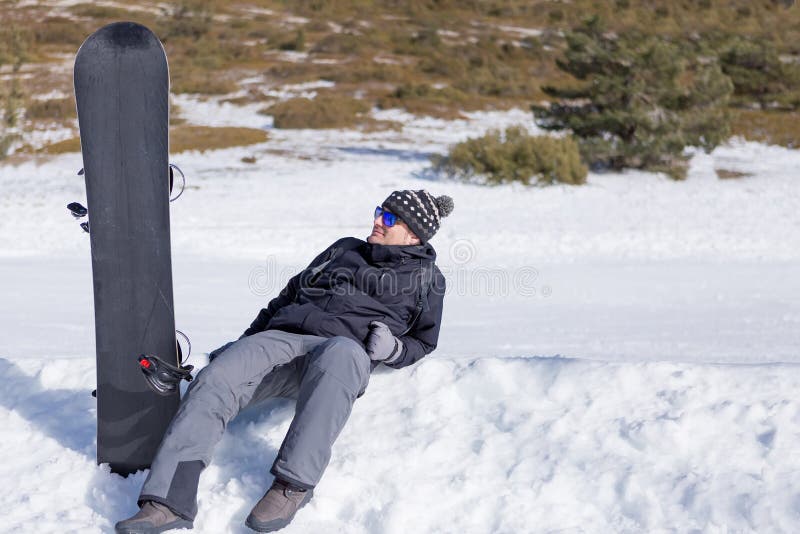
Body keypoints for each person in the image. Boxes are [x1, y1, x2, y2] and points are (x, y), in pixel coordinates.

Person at [115, 189, 454, 533]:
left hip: (339, 356)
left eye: (391, 218)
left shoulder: (428, 279)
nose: (378, 220)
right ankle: (167, 501)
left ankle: (292, 485)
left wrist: (393, 350)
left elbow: (424, 341)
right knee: (218, 377)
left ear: (413, 233)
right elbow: (290, 293)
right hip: (283, 339)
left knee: (344, 353)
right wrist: (245, 341)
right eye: (380, 210)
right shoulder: (344, 248)